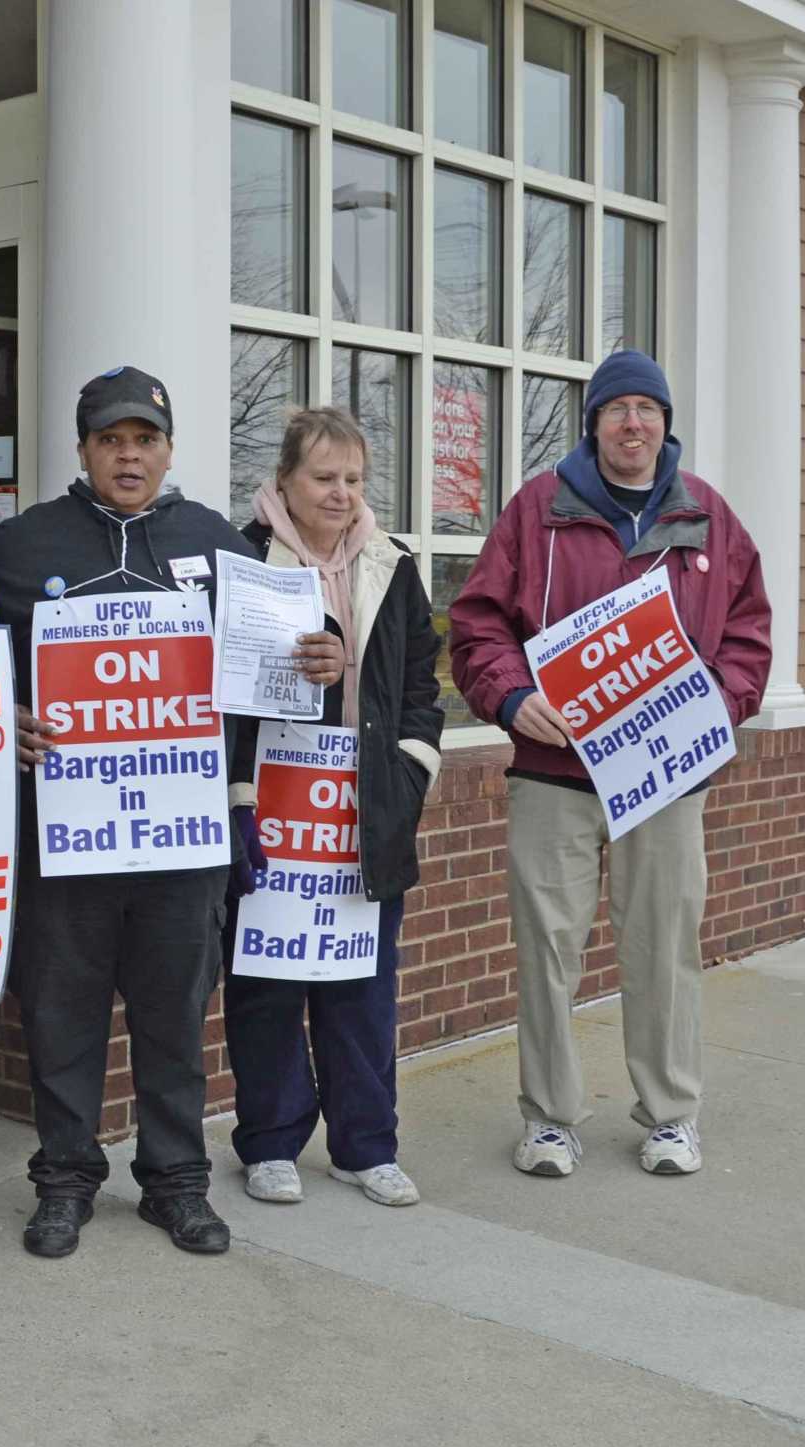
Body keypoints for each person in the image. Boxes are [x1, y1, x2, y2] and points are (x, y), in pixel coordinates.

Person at [450, 349, 771, 1179]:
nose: (634, 424)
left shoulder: (708, 517)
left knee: (664, 949)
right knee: (545, 951)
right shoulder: (536, 511)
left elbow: (747, 633)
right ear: (593, 422)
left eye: (648, 410)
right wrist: (512, 699)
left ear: (666, 425)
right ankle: (550, 1119)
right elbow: (479, 623)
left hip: (663, 780)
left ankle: (670, 1116)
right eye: (617, 408)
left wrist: (719, 705)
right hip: (553, 775)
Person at [0, 365, 256, 1259]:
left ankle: (176, 1183)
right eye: (111, 439)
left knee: (174, 1017)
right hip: (66, 838)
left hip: (181, 839)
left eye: (144, 439)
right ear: (84, 449)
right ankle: (64, 1180)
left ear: (169, 450)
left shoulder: (220, 545)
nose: (128, 454)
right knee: (62, 1018)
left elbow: (263, 682)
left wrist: (314, 661)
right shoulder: (22, 546)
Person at [223, 406, 443, 1208]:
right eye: (324, 477)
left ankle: (365, 1145)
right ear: (283, 481)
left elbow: (423, 687)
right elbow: (222, 691)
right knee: (268, 989)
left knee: (364, 987)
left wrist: (410, 771)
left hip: (364, 807)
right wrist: (238, 793)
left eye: (353, 478)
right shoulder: (244, 561)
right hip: (272, 807)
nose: (341, 493)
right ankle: (271, 1143)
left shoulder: (393, 563)